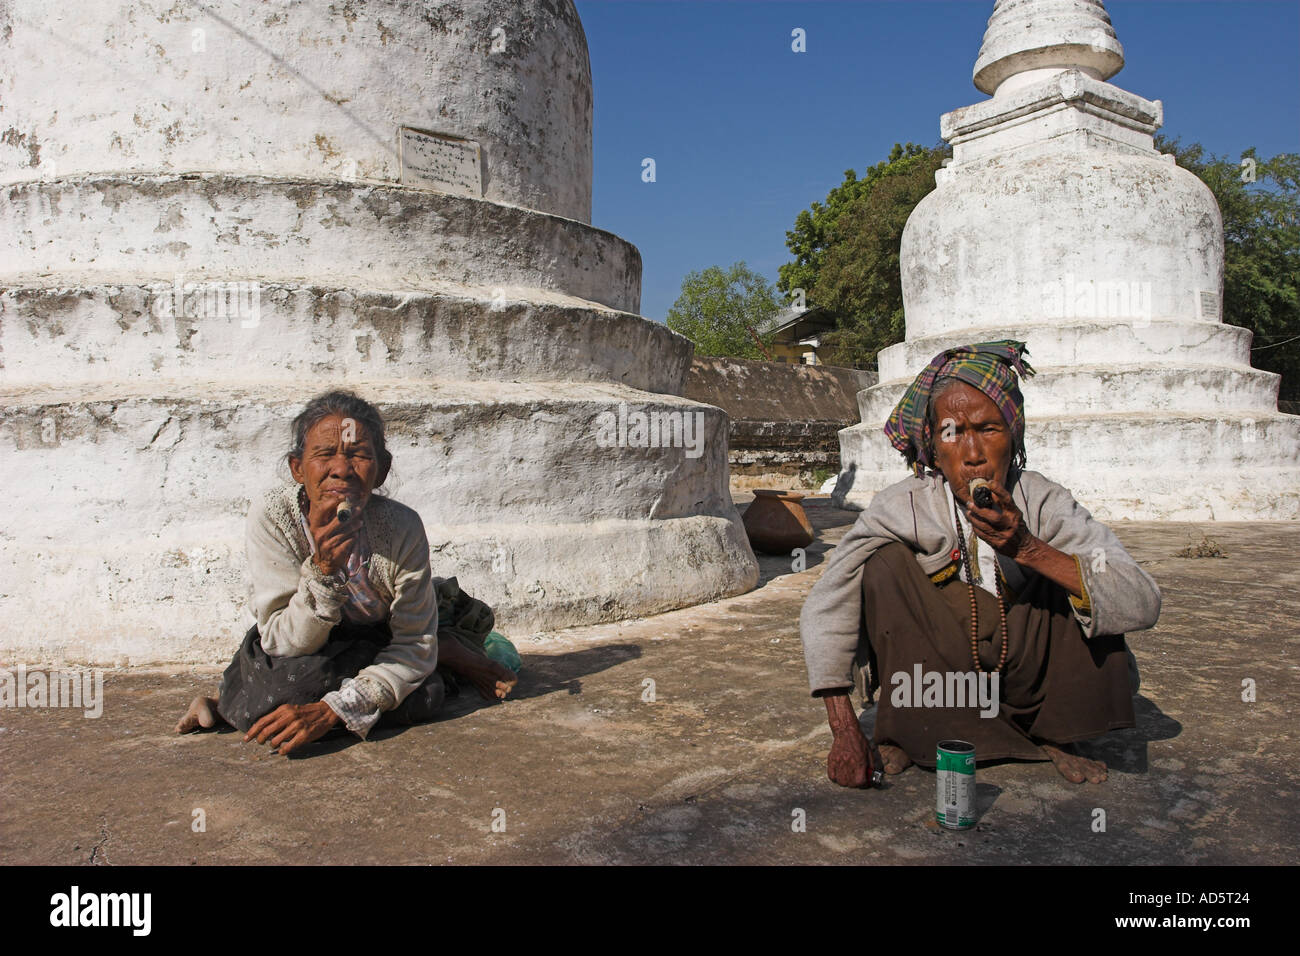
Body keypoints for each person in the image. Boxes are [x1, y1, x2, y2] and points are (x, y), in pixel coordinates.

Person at [800, 341, 1160, 785]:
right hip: (943, 685)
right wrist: (844, 730)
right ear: (932, 444)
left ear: (1014, 436)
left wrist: (1029, 549)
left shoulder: (1045, 500)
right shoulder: (901, 506)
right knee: (882, 565)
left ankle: (1051, 731)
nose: (972, 453)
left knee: (1068, 571)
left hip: (1029, 680)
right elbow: (826, 605)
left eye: (989, 429)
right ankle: (912, 730)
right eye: (952, 432)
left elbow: (1142, 599)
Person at [175, 390, 517, 754]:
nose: (341, 469)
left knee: (425, 695)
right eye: (324, 454)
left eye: (359, 455)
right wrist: (323, 570)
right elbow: (279, 641)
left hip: (380, 635)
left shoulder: (402, 527)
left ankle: (441, 651)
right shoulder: (274, 516)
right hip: (307, 642)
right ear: (297, 468)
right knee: (289, 681)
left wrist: (331, 711)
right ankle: (227, 703)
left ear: (381, 470)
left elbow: (412, 643)